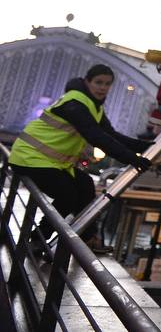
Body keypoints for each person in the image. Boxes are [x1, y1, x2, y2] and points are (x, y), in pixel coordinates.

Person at [10, 65, 152, 229]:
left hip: (48, 161)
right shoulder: (75, 103)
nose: (103, 88)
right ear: (87, 82)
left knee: (85, 186)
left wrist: (144, 147)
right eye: (98, 82)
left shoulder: (93, 105)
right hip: (30, 157)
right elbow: (96, 136)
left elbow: (111, 134)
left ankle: (86, 236)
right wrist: (132, 159)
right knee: (68, 195)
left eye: (107, 84)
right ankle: (38, 238)